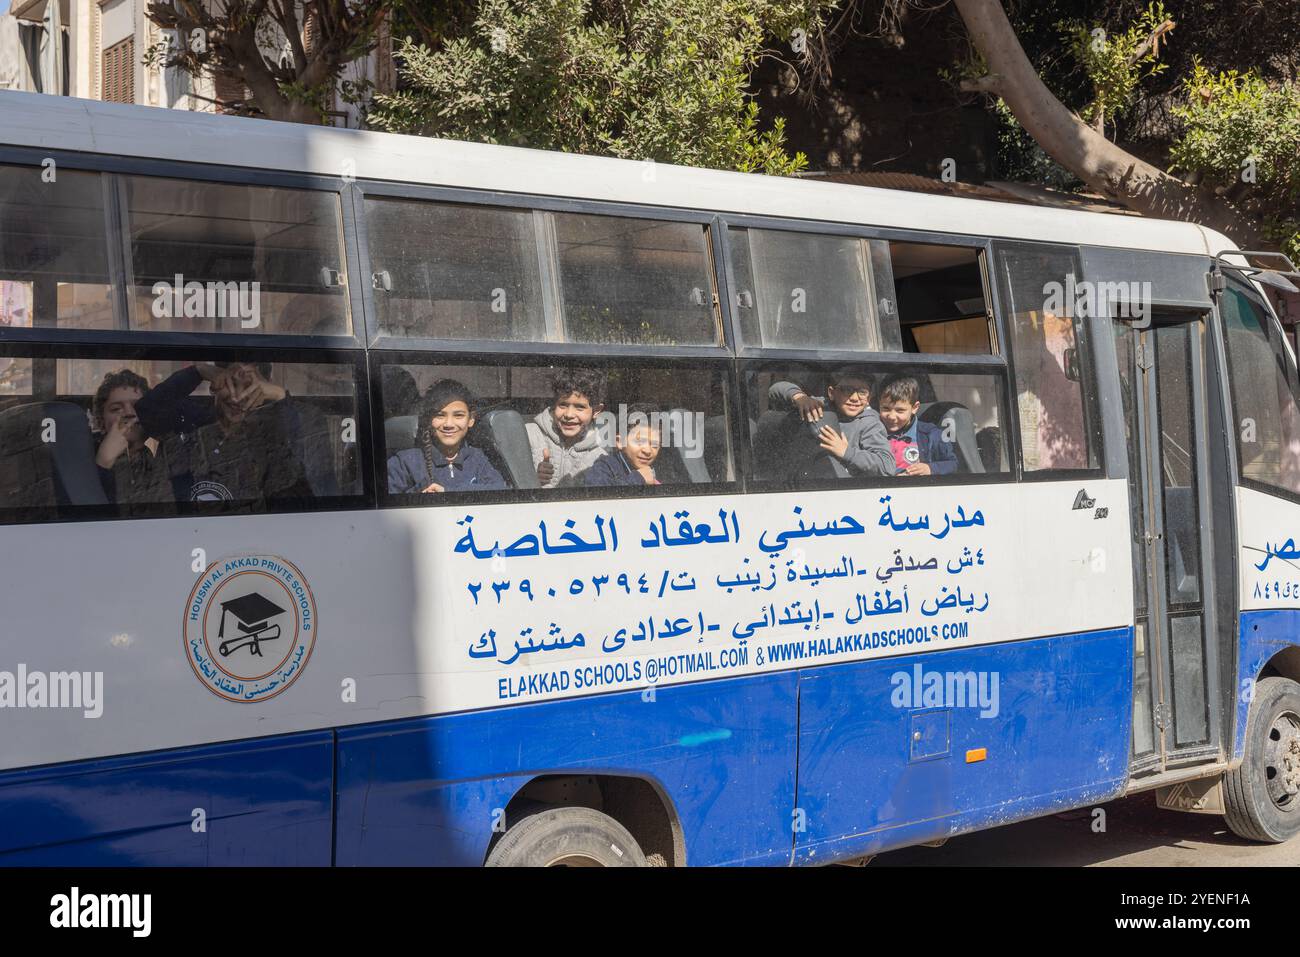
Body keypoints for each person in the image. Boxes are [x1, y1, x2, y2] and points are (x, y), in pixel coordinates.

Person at [134, 360, 313, 504]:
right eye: (232, 384)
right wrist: (199, 371)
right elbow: (146, 410)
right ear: (215, 385)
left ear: (262, 394)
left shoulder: (268, 436)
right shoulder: (189, 419)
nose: (237, 397)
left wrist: (279, 395)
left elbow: (299, 465)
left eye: (249, 388)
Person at [766, 368, 893, 479]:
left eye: (862, 392)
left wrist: (846, 452)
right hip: (802, 477)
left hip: (843, 489)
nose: (854, 398)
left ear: (869, 398)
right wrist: (799, 397)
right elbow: (775, 390)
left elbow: (887, 466)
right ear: (831, 393)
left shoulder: (870, 424)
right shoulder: (819, 405)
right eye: (847, 390)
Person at [387, 379, 507, 493]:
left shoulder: (478, 459)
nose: (448, 424)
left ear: (471, 419)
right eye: (440, 415)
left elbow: (500, 490)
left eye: (458, 415)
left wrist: (447, 492)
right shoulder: (404, 462)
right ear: (428, 419)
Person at [91, 369, 173, 505]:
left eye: (138, 406)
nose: (129, 413)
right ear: (101, 421)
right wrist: (102, 464)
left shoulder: (163, 459)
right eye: (116, 408)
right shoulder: (83, 461)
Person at [526, 368, 608, 488]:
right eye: (563, 405)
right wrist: (531, 478)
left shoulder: (600, 456)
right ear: (554, 405)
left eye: (579, 407)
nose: (569, 415)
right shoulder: (528, 436)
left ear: (596, 411)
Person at [877, 375, 958, 476]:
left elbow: (952, 464)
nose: (892, 416)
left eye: (900, 410)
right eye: (886, 408)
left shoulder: (930, 434)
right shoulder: (873, 431)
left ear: (915, 408)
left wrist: (929, 468)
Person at [584, 404, 661, 487]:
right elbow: (600, 497)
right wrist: (638, 478)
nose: (647, 451)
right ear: (619, 441)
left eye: (655, 445)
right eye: (640, 442)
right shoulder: (603, 469)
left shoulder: (659, 469)